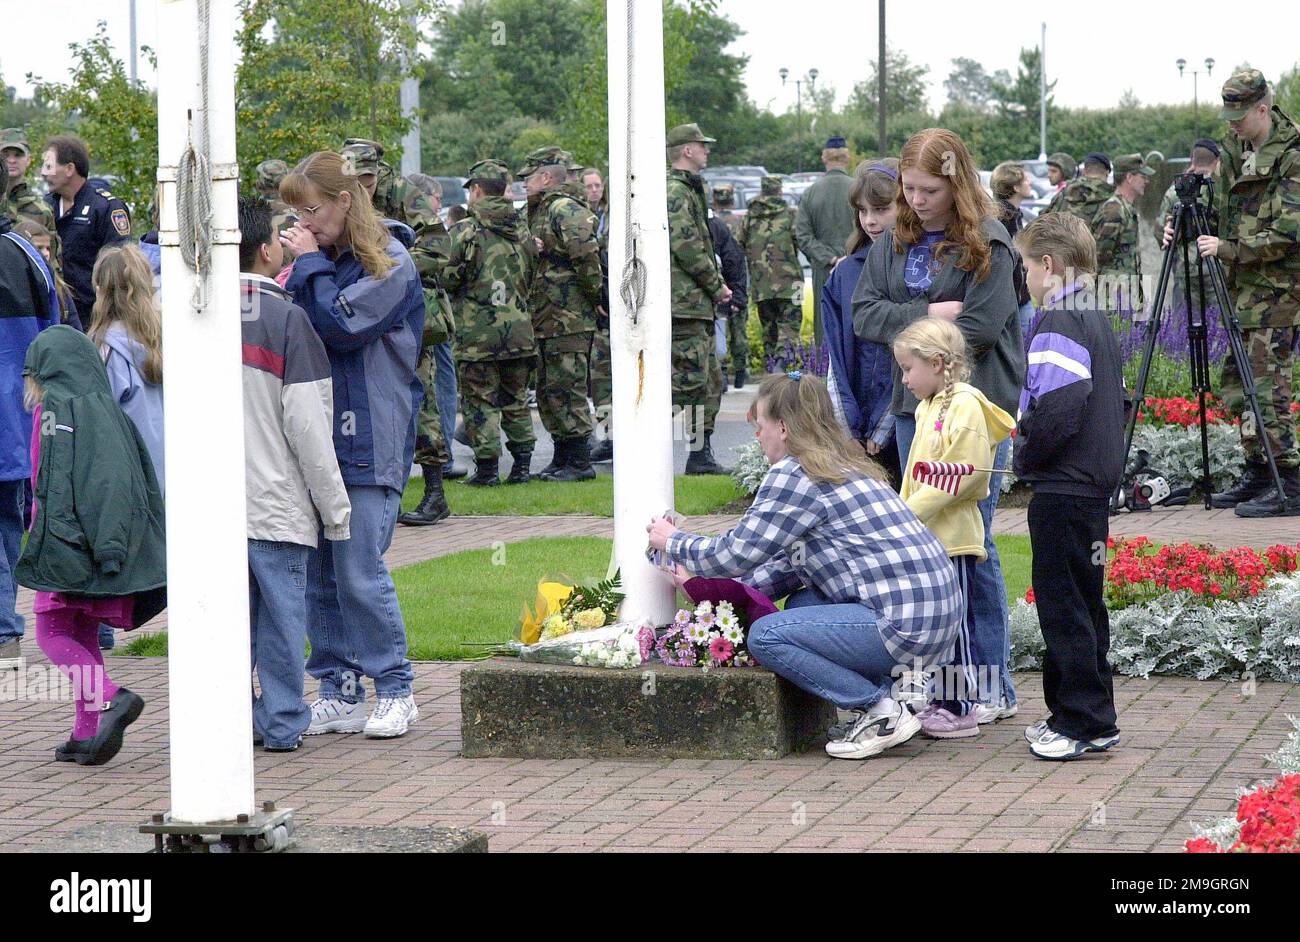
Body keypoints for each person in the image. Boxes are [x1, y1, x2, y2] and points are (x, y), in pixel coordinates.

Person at [647, 373, 962, 760]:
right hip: (936, 619)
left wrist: (673, 541)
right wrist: (707, 589)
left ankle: (881, 709)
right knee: (800, 607)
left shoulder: (795, 474)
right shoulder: (844, 463)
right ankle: (899, 696)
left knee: (767, 636)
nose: (757, 437)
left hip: (904, 627)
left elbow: (736, 553)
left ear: (782, 427)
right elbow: (789, 566)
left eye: (760, 427)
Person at [853, 127, 1024, 719]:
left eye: (929, 189)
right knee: (925, 543)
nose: (917, 200)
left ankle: (991, 684)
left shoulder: (991, 244)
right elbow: (863, 313)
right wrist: (928, 313)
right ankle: (943, 685)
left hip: (973, 408)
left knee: (970, 540)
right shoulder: (894, 239)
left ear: (957, 184)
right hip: (913, 409)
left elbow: (978, 330)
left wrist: (921, 327)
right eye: (908, 188)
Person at [279, 150, 423, 738]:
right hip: (317, 439)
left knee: (359, 569)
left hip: (372, 435)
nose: (303, 224)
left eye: (311, 210)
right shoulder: (319, 262)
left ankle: (396, 688)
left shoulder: (391, 261)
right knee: (319, 574)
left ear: (345, 199)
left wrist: (307, 265)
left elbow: (341, 326)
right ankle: (337, 686)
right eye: (295, 213)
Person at [16, 325, 166, 765]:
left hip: (62, 542)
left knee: (51, 632)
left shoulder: (53, 412)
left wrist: (46, 539)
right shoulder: (104, 411)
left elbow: (48, 483)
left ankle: (112, 697)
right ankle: (86, 730)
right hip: (97, 541)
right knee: (81, 631)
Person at [238, 196, 351, 752]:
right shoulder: (287, 319)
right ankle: (282, 722)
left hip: (208, 508)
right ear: (266, 250)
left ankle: (229, 720)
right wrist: (335, 510)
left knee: (224, 624)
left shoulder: (184, 317)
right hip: (276, 506)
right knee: (282, 624)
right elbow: (308, 426)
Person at [1013, 212, 1125, 760]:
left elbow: (1058, 407)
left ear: (1050, 265)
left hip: (1063, 487)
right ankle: (1082, 714)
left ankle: (1082, 721)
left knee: (1063, 606)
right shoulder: (1093, 313)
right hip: (1089, 488)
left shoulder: (1057, 319)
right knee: (1084, 603)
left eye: (1028, 266)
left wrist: (1025, 455)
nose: (1026, 278)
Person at [894, 317, 1014, 738]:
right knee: (942, 628)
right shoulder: (929, 406)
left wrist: (907, 513)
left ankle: (962, 707)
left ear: (938, 362)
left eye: (909, 368)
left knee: (958, 628)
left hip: (954, 540)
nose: (904, 379)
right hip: (931, 538)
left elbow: (965, 475)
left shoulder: (964, 404)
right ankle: (946, 699)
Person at [1188, 70, 1300, 517]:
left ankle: (1288, 479)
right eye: (1228, 115)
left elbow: (1290, 231)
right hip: (1241, 292)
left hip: (1278, 293)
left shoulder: (1292, 156)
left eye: (1240, 115)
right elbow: (1224, 212)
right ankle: (1259, 468)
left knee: (1268, 387)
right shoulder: (1234, 151)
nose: (1232, 124)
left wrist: (1230, 248)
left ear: (1262, 108)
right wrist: (1192, 223)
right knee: (1240, 385)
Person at [343, 139, 465, 486]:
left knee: (420, 395)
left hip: (406, 307)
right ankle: (385, 485)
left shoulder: (404, 193)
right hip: (364, 307)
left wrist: (393, 270)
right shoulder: (343, 195)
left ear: (378, 171)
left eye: (367, 180)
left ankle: (435, 488)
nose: (362, 188)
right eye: (355, 181)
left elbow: (439, 245)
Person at [442, 160, 537, 487]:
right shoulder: (523, 228)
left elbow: (448, 277)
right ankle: (522, 468)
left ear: (477, 190)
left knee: (479, 402)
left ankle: (487, 472)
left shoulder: (465, 231)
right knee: (516, 399)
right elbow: (531, 276)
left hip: (478, 334)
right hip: (519, 329)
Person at [519, 148, 603, 482]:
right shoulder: (541, 210)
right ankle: (562, 456)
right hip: (546, 315)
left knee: (568, 388)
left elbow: (586, 257)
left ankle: (580, 462)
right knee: (550, 389)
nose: (524, 182)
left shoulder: (564, 208)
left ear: (545, 177)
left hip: (569, 316)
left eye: (528, 176)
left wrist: (594, 297)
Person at [0, 207, 60, 671]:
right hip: (21, 422)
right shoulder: (28, 256)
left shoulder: (25, 255)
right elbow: (56, 340)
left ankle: (5, 631)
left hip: (16, 422)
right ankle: (6, 633)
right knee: (9, 523)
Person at [821, 159, 900, 476]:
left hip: (903, 414)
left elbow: (920, 350)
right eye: (863, 211)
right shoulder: (846, 272)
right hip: (856, 426)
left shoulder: (918, 269)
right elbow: (836, 359)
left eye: (881, 210)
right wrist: (848, 429)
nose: (870, 220)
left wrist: (884, 423)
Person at [666, 123, 732, 474]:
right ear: (687, 151)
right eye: (701, 145)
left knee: (709, 380)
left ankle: (700, 454)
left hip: (695, 304)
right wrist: (715, 284)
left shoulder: (691, 189)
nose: (707, 150)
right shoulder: (676, 191)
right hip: (685, 303)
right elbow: (686, 246)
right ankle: (692, 452)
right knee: (690, 382)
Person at [88, 245, 165, 493]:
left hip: (126, 485)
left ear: (100, 290)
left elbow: (98, 430)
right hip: (169, 479)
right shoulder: (165, 340)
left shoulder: (104, 351)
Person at [41, 134, 133, 316]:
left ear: (69, 169)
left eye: (49, 166)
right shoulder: (44, 207)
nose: (43, 173)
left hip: (94, 315)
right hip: (55, 313)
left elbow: (119, 265)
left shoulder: (106, 208)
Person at [796, 136, 857, 344]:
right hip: (858, 267)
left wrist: (830, 258)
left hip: (824, 270)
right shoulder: (858, 189)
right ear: (847, 158)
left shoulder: (811, 193)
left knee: (825, 331)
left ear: (824, 158)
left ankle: (824, 374)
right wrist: (848, 257)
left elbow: (803, 237)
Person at [739, 176, 802, 368]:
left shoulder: (749, 216)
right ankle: (782, 362)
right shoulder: (791, 214)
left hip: (761, 284)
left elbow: (738, 244)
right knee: (791, 324)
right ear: (780, 191)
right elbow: (800, 240)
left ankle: (771, 367)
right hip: (791, 282)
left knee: (768, 328)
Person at [1157, 139, 1221, 318]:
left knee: (1186, 321)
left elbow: (1160, 232)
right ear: (1216, 161)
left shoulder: (1176, 191)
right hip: (1216, 264)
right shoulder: (1221, 189)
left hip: (1184, 267)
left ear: (1193, 161)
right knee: (1220, 323)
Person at [1091, 153, 1154, 317]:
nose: (1146, 181)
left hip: (1124, 293)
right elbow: (1097, 256)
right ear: (1129, 177)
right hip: (1112, 296)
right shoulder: (1114, 211)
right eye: (1143, 176)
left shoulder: (1125, 209)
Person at [584, 167, 615, 462]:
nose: (594, 190)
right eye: (589, 185)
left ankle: (613, 436)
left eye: (598, 185)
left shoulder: (610, 218)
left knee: (604, 373)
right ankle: (607, 435)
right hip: (599, 306)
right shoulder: (588, 219)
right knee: (600, 378)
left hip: (612, 305)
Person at [1, 128, 62, 268]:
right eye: (5, 154)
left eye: (18, 155)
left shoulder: (42, 210)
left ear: (28, 160)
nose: (11, 160)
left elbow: (51, 264)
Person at [707, 192, 748, 390]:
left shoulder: (712, 223)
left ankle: (721, 375)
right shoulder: (735, 222)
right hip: (730, 286)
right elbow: (737, 258)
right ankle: (739, 372)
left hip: (718, 289)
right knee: (736, 333)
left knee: (717, 334)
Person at [990, 161, 1036, 333]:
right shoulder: (1002, 220)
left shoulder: (1013, 215)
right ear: (1016, 187)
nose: (1030, 182)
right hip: (1010, 302)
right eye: (1026, 180)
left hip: (1020, 298)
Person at [12, 219, 82, 330]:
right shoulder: (9, 288)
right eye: (39, 248)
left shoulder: (59, 288)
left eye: (48, 248)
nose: (46, 253)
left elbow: (75, 331)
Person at [1042, 152, 1113, 223]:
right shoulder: (1113, 199)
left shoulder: (1064, 194)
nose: (1049, 175)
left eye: (1053, 171)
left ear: (1084, 171)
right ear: (1107, 172)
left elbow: (1042, 221)